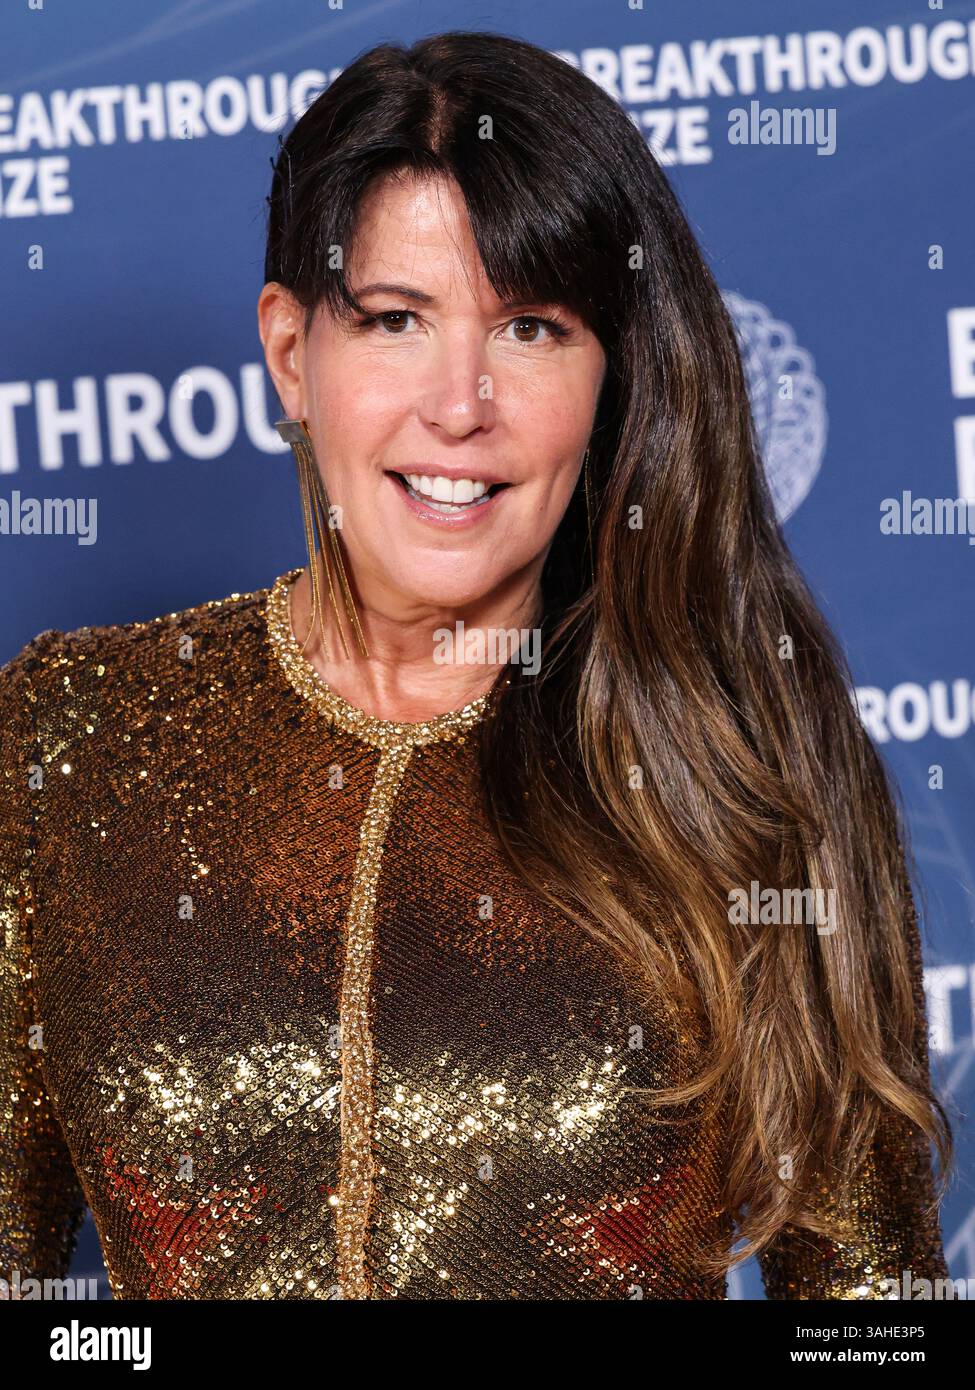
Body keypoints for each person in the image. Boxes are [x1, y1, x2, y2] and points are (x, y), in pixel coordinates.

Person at [0, 31, 952, 1301]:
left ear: (608, 374)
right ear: (293, 354)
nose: (461, 403)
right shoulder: (75, 735)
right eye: (396, 319)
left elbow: (872, 1318)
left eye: (533, 328)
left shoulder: (738, 766)